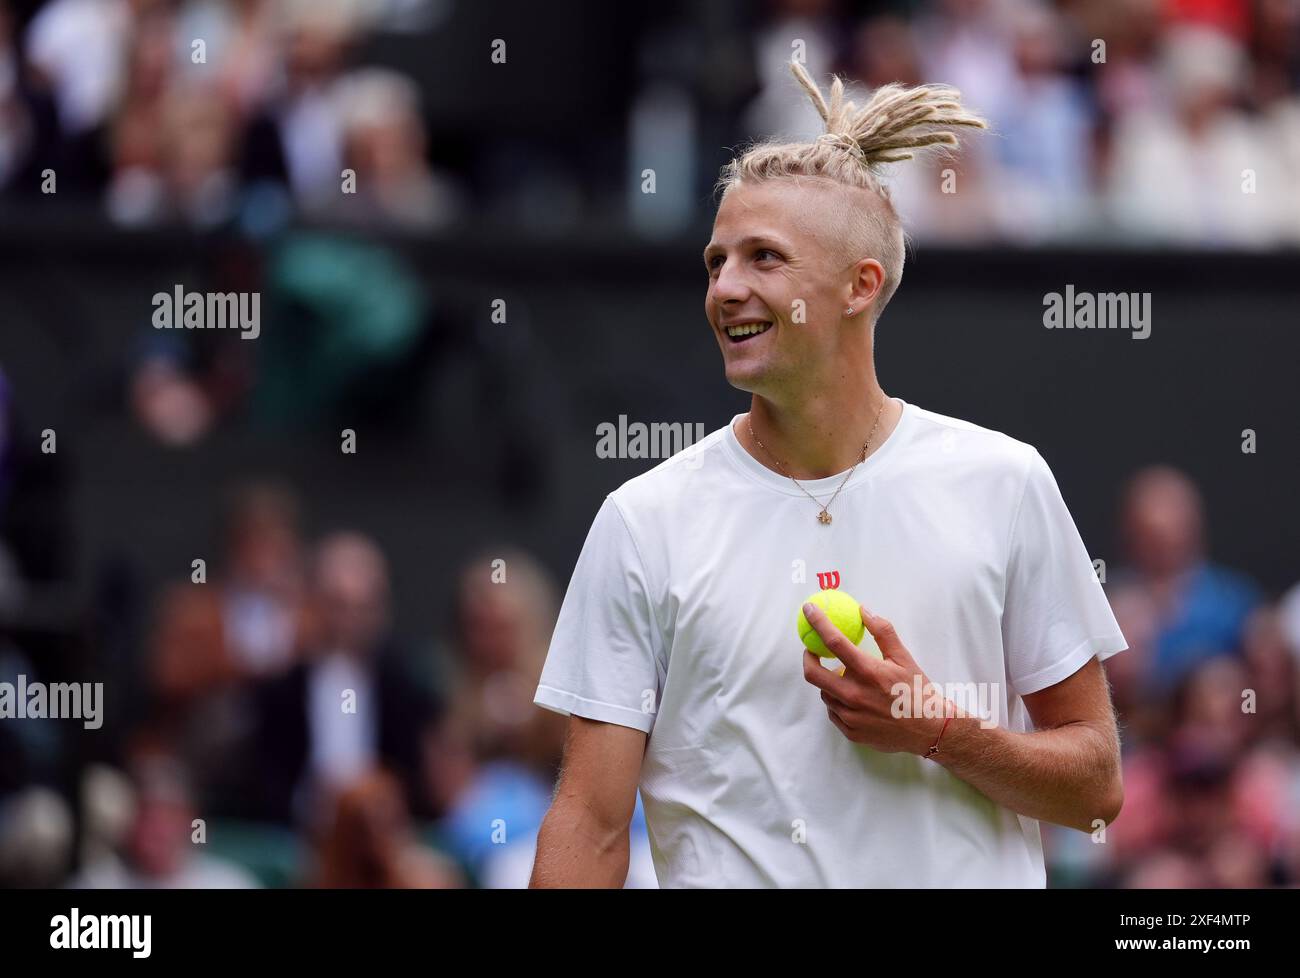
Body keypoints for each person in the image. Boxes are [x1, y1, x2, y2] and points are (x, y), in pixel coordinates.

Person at [529, 62, 1127, 888]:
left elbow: (1096, 790)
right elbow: (591, 825)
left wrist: (930, 725)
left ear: (859, 285)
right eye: (715, 261)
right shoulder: (644, 518)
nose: (725, 288)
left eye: (763, 258)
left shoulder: (1004, 481)